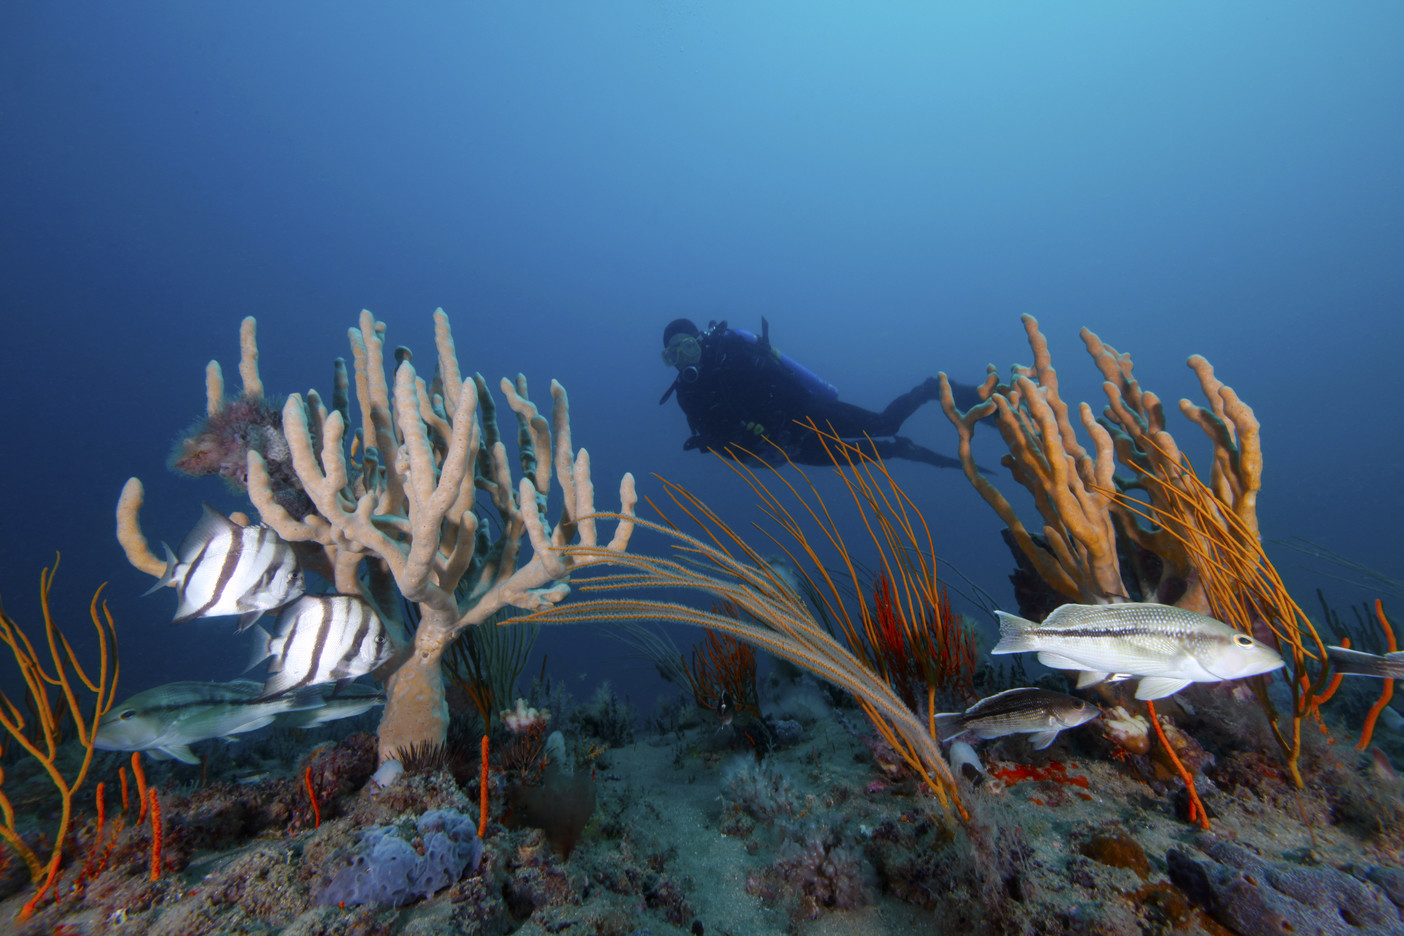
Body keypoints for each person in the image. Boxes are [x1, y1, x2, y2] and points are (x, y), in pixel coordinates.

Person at [659, 317, 983, 468]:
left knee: (884, 425)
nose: (682, 359)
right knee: (858, 455)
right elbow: (716, 441)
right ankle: (903, 450)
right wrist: (745, 446)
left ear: (699, 341)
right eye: (673, 355)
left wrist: (775, 414)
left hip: (807, 413)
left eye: (686, 347)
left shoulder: (732, 349)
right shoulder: (688, 396)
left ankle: (929, 389)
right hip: (786, 448)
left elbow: (782, 380)